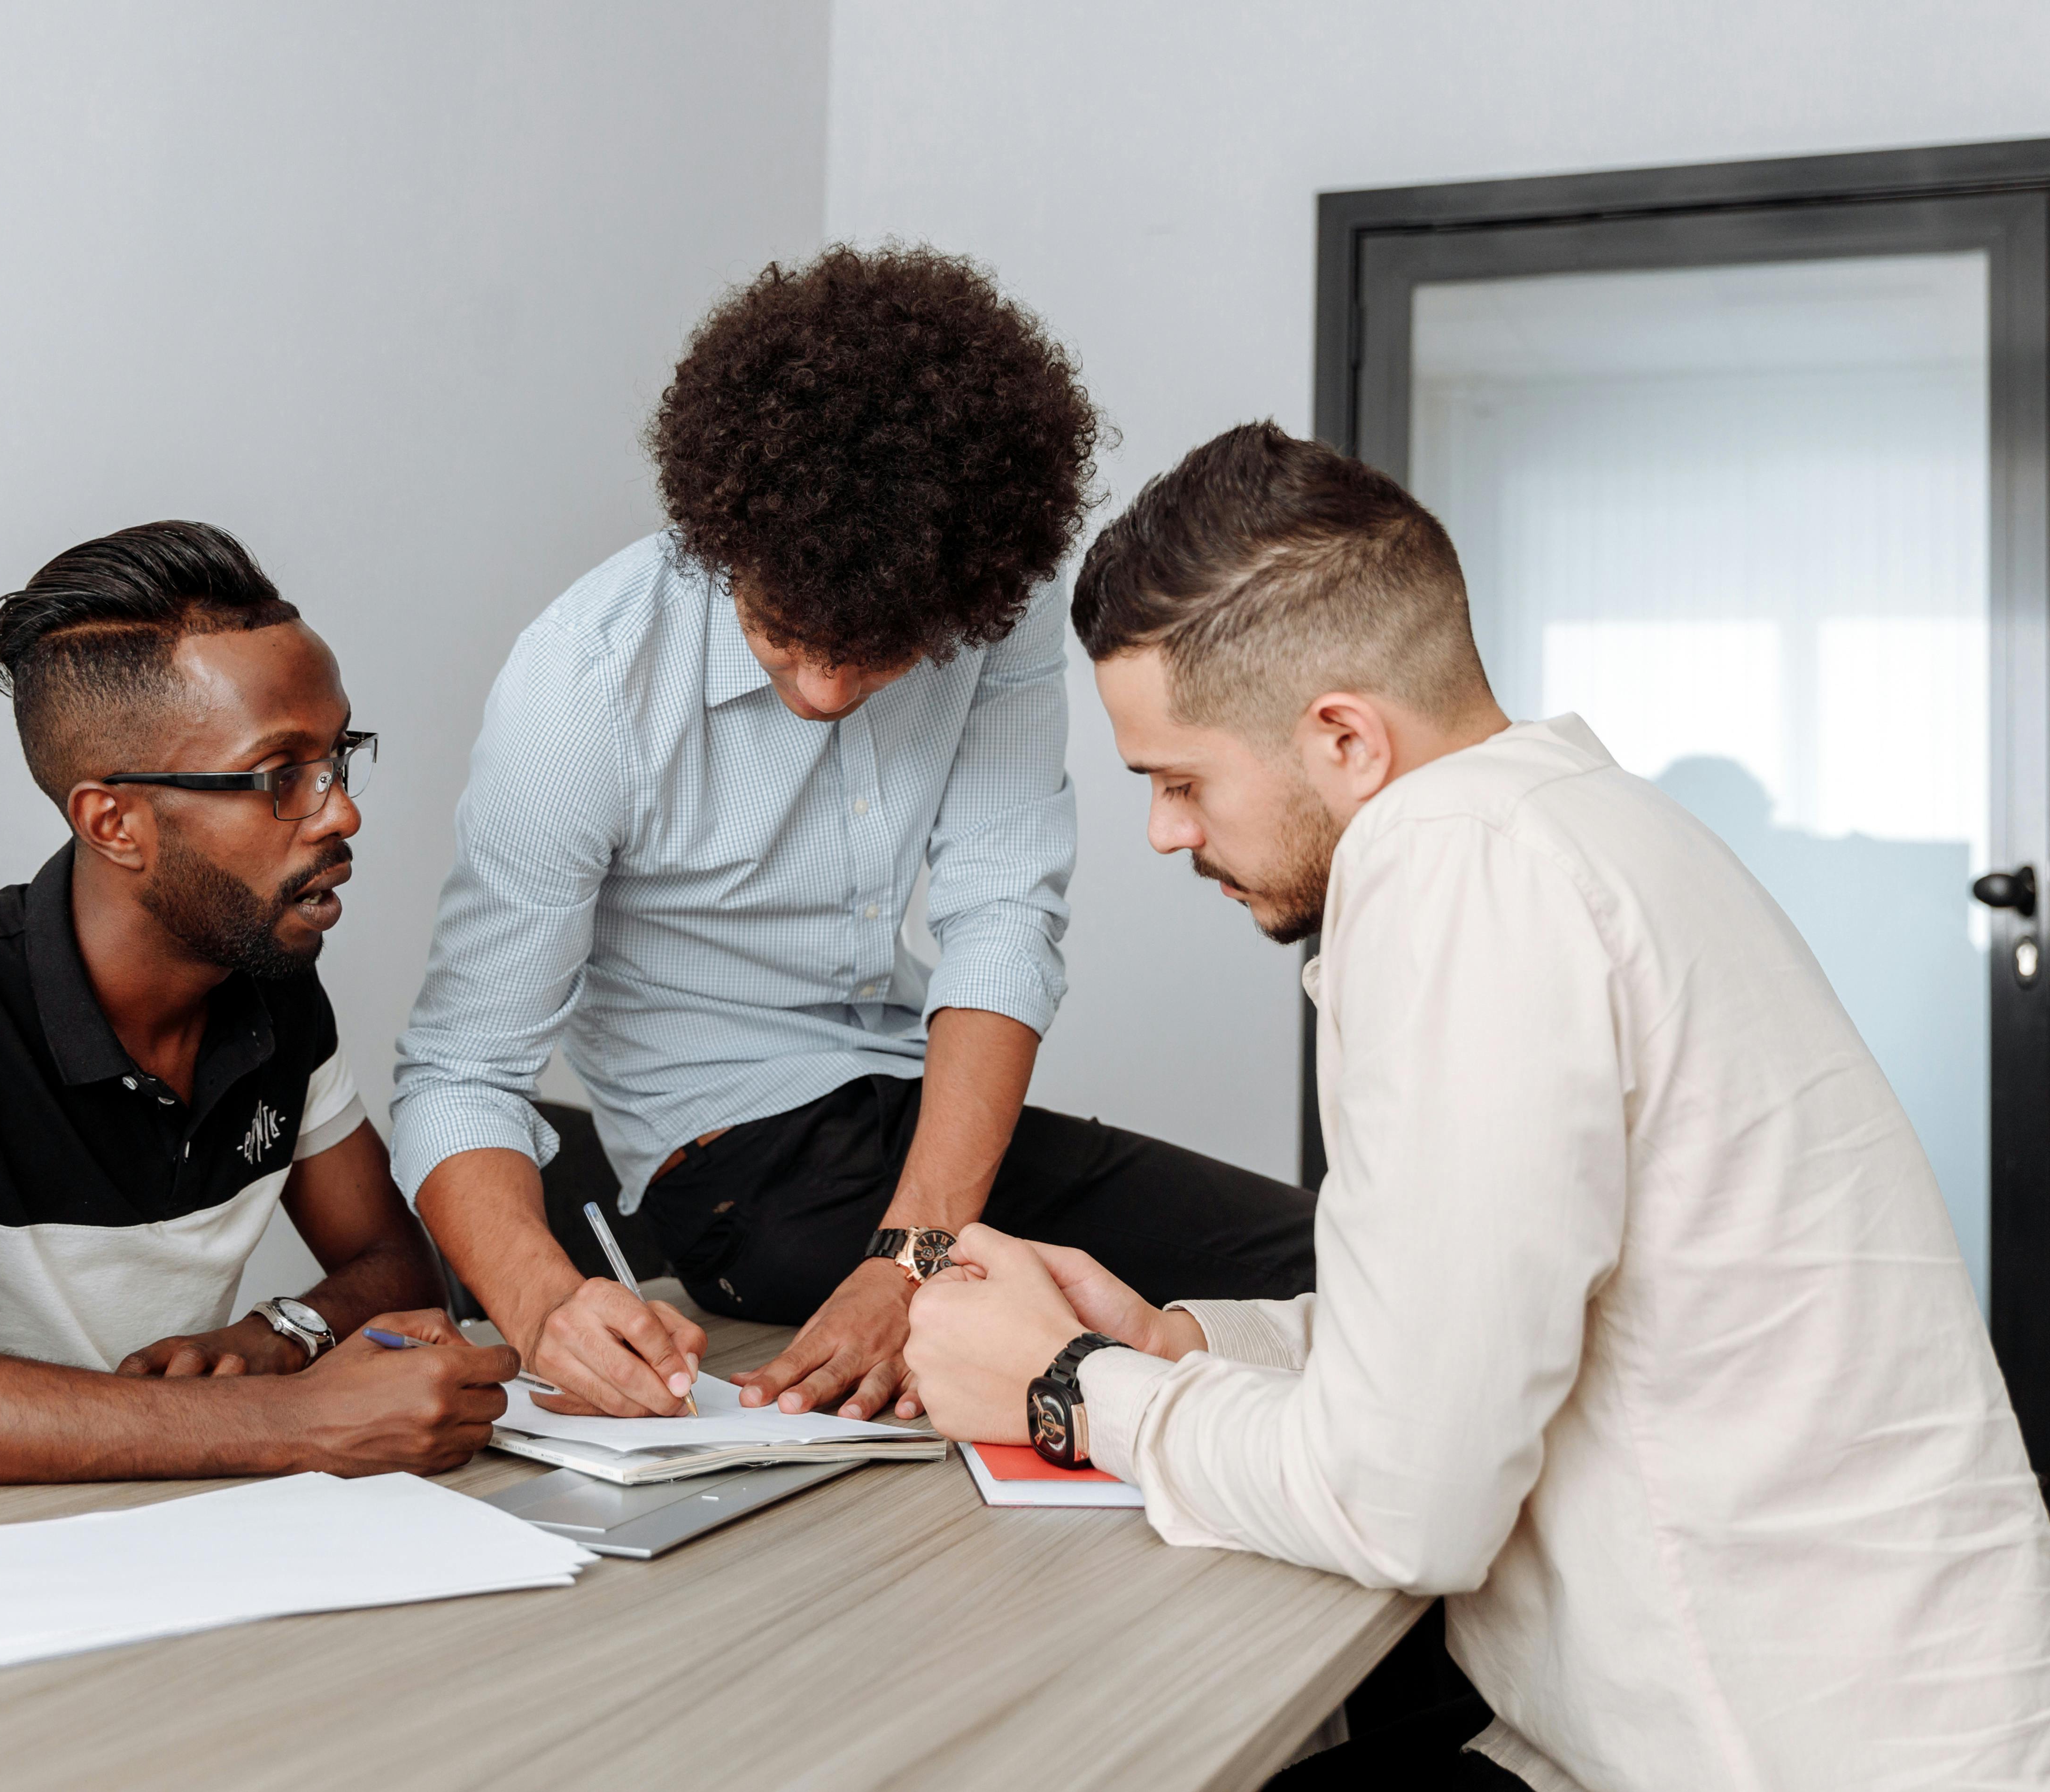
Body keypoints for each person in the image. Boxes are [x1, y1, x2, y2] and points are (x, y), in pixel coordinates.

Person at [906, 421, 2050, 1789]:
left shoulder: (1456, 870)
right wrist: (1178, 1339)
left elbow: (1401, 1508)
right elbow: (1494, 1324)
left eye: (1180, 781)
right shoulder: (1583, 827)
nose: (1164, 833)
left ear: (1342, 737)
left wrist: (1068, 1391)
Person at [394, 247, 1317, 1426]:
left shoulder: (991, 603)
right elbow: (458, 1070)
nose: (826, 692)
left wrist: (911, 1259)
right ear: (725, 541)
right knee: (1205, 1289)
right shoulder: (583, 687)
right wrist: (542, 1306)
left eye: (880, 656)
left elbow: (1002, 921)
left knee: (1317, 1264)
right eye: (783, 634)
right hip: (741, 1177)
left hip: (901, 1116)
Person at [0, 521, 515, 1483]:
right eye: (279, 775)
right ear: (113, 822)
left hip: (185, 1527)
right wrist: (292, 1423)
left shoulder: (270, 980)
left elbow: (394, 1267)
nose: (340, 809)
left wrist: (279, 1336)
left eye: (337, 755)